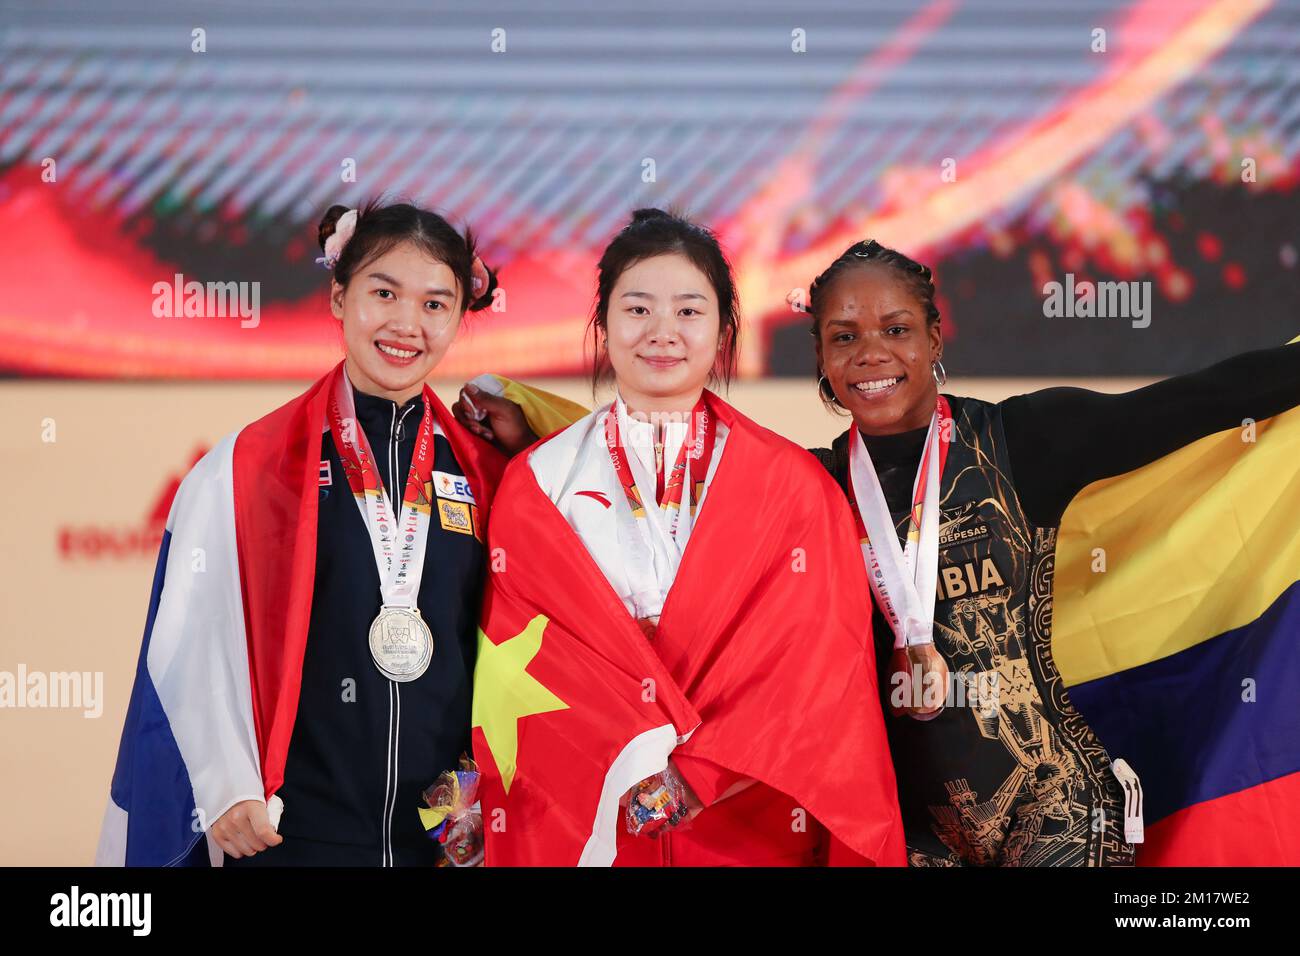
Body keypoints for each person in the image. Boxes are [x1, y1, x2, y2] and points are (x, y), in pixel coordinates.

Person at [802, 239, 1300, 866]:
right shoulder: (810, 490)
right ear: (820, 355)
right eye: (843, 337)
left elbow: (1197, 402)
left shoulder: (1021, 441)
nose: (871, 352)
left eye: (895, 328)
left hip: (1058, 815)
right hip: (905, 837)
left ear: (934, 339)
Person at [466, 209, 904, 866]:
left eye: (689, 312)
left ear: (724, 329)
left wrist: (700, 774)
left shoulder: (794, 484)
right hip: (594, 819)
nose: (662, 333)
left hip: (747, 825)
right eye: (638, 310)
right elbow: (517, 665)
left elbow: (819, 665)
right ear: (603, 327)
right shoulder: (539, 479)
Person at [96, 199, 505, 867]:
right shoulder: (249, 469)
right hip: (293, 836)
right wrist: (226, 783)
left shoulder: (486, 474)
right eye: (384, 293)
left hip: (438, 844)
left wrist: (471, 794)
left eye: (435, 304)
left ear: (460, 319)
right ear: (340, 297)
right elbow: (187, 641)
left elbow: (507, 656)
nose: (407, 323)